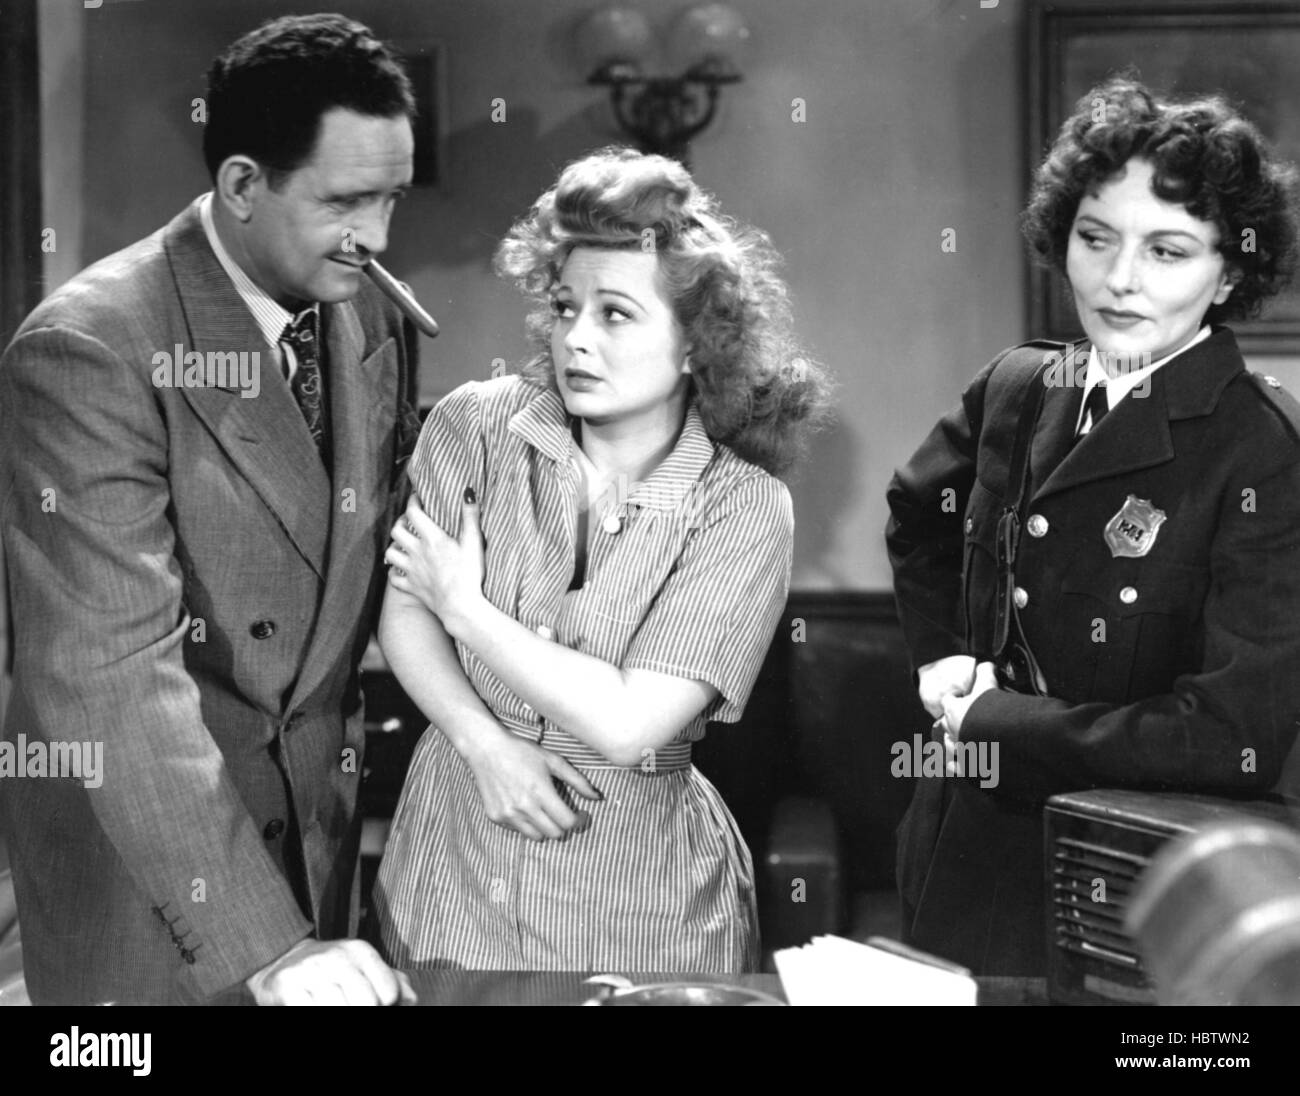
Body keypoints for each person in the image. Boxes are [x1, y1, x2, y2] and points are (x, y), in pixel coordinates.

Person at [0, 13, 422, 1004]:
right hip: (154, 889)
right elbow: (107, 675)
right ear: (240, 184)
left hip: (315, 863)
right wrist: (266, 947)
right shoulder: (90, 347)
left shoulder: (368, 313)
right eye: (348, 201)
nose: (379, 238)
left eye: (392, 198)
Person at [373, 147, 828, 971]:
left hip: (641, 909)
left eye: (615, 314)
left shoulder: (745, 508)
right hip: (448, 879)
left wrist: (466, 607)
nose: (575, 338)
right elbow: (405, 613)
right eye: (562, 306)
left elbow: (626, 725)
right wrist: (485, 744)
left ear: (697, 343)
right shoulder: (474, 426)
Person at [886, 78, 1300, 976]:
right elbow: (920, 515)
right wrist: (940, 656)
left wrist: (997, 720)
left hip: (1127, 888)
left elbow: (1228, 734)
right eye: (1096, 238)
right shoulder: (1021, 386)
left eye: (1168, 250)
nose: (1119, 279)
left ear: (1228, 272)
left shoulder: (1259, 448)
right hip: (959, 846)